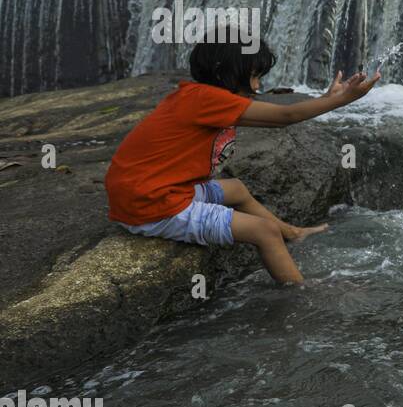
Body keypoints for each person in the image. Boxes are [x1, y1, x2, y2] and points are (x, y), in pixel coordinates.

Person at [105, 41, 380, 284]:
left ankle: (293, 233)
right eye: (254, 76)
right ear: (226, 72)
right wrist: (342, 100)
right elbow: (286, 117)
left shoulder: (198, 96)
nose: (258, 86)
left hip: (148, 191)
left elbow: (277, 119)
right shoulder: (206, 99)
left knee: (235, 188)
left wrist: (324, 99)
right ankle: (300, 294)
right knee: (264, 231)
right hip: (154, 205)